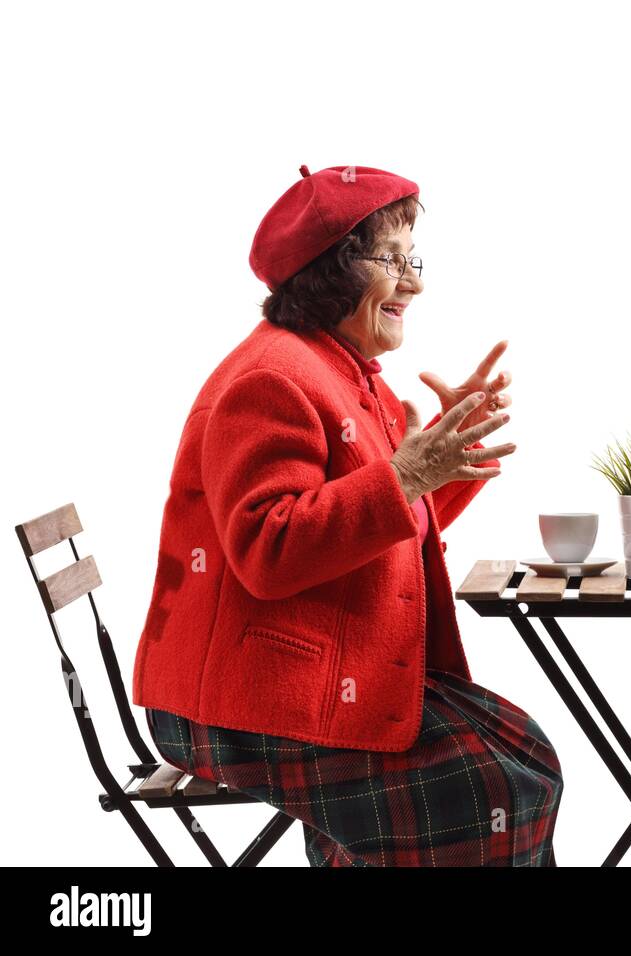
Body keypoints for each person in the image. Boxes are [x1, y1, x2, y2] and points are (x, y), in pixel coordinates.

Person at [132, 164, 562, 866]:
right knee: (488, 787)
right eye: (393, 260)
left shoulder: (342, 371)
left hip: (305, 672)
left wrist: (447, 454)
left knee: (526, 755)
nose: (414, 282)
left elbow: (383, 527)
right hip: (234, 704)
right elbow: (270, 551)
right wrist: (409, 472)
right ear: (330, 270)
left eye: (412, 258)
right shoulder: (273, 377)